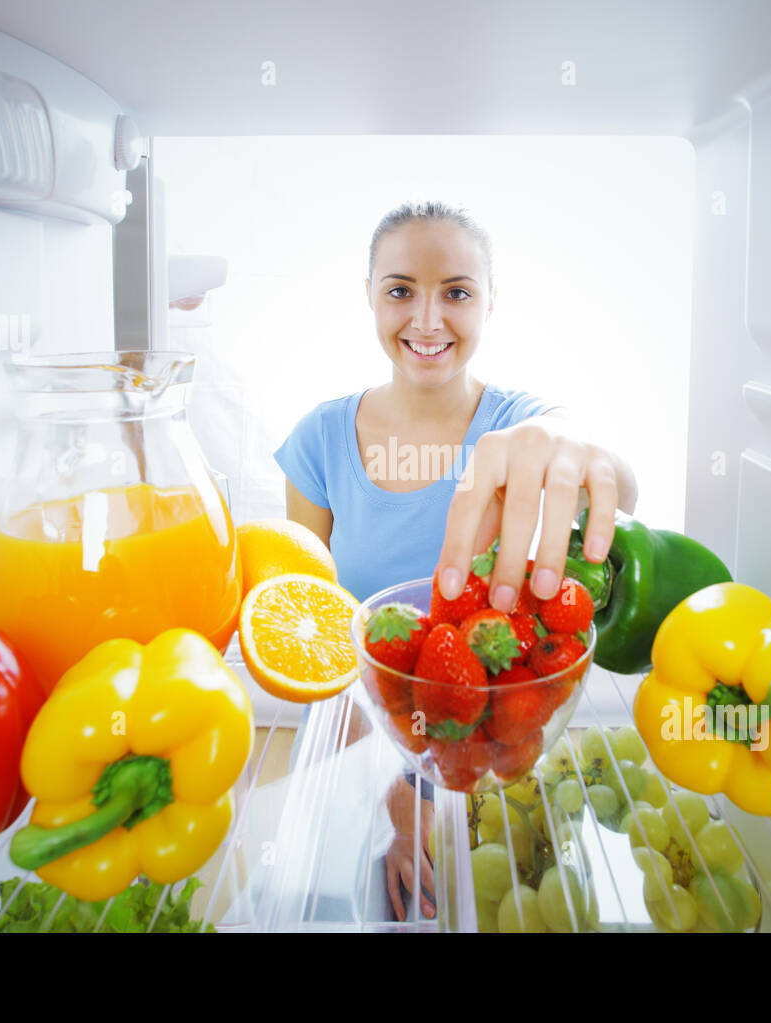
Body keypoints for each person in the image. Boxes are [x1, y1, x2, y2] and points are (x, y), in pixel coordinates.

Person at [273, 200, 638, 921]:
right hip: (360, 749)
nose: (429, 320)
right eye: (402, 290)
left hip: (499, 751)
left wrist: (569, 446)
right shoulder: (318, 438)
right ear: (371, 297)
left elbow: (613, 476)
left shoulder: (517, 422)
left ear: (491, 302)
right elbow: (318, 642)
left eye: (458, 292)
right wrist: (395, 799)